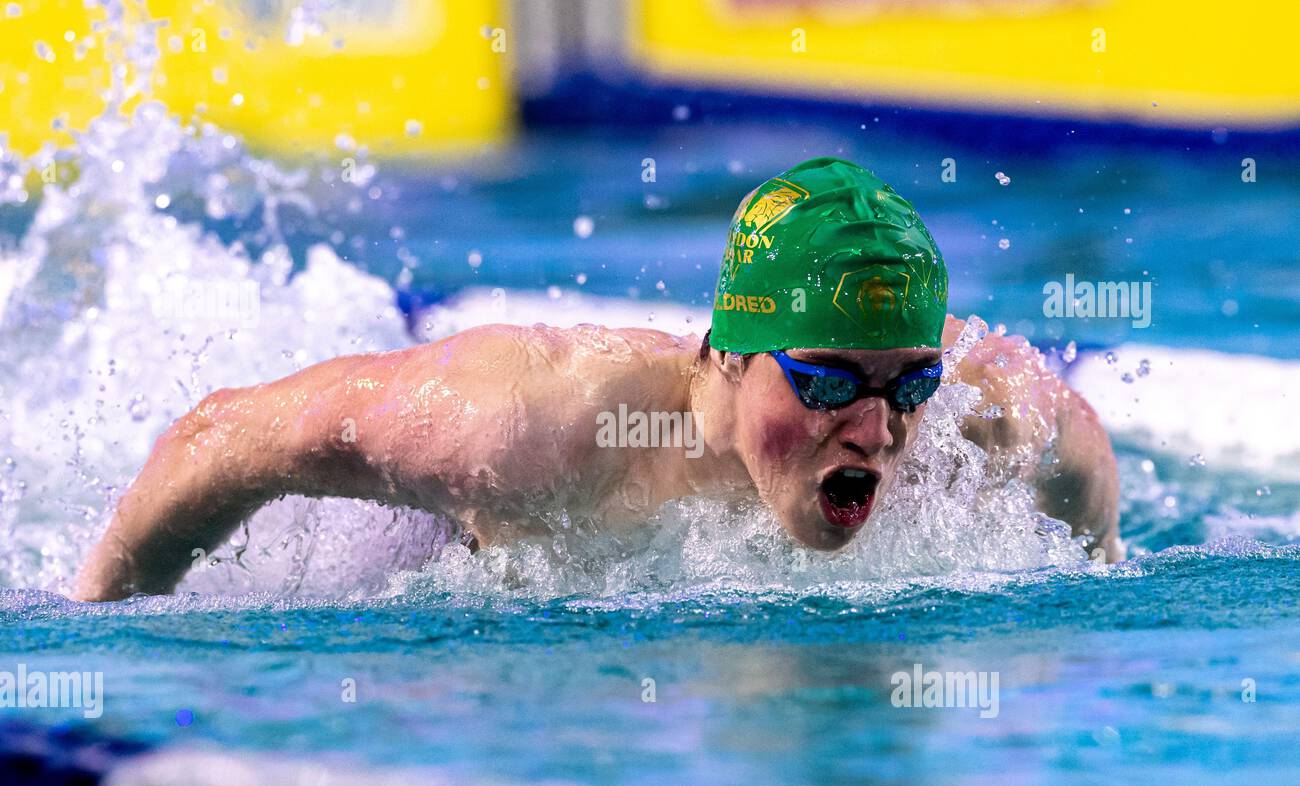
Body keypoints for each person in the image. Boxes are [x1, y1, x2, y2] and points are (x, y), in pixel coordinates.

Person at [74, 158, 1121, 602]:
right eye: (822, 379)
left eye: (905, 383)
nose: (874, 430)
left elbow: (1078, 458)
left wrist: (1101, 565)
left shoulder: (974, 421)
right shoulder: (525, 420)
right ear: (725, 351)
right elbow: (225, 435)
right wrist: (109, 637)